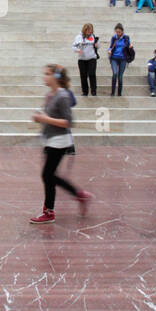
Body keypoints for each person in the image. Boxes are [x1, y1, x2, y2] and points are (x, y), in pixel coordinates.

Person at [28, 64, 93, 224]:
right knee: (50, 175)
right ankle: (79, 195)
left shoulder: (63, 96)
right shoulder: (51, 94)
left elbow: (69, 122)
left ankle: (49, 211)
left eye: (47, 74)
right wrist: (40, 116)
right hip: (51, 140)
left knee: (47, 175)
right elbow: (48, 115)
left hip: (60, 141)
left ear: (56, 77)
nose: (45, 77)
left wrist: (44, 119)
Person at [72, 23, 99, 97]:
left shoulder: (93, 37)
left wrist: (97, 45)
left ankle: (93, 90)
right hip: (82, 59)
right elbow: (73, 47)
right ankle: (85, 91)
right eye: (88, 31)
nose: (90, 32)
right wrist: (78, 50)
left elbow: (98, 46)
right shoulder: (79, 37)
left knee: (92, 74)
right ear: (85, 30)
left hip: (92, 58)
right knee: (83, 75)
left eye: (91, 30)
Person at [107, 23, 132, 97]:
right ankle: (112, 92)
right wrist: (109, 50)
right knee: (115, 73)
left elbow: (128, 46)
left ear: (122, 31)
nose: (118, 33)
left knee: (120, 76)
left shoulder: (126, 38)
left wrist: (130, 47)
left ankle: (119, 93)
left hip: (123, 58)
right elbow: (110, 46)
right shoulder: (114, 38)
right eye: (116, 32)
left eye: (119, 32)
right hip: (114, 58)